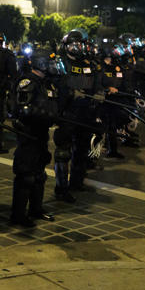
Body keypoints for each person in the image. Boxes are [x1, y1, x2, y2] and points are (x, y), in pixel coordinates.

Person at [9, 48, 61, 227]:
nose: (53, 66)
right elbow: (23, 109)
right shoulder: (28, 82)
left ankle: (36, 209)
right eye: (50, 62)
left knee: (39, 173)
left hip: (41, 133)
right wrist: (46, 115)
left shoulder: (45, 82)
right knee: (26, 175)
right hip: (28, 133)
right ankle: (18, 215)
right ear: (41, 63)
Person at [54, 29, 100, 203]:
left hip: (85, 113)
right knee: (63, 153)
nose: (77, 48)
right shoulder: (60, 63)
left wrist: (99, 93)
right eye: (73, 44)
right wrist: (70, 93)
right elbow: (55, 85)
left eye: (79, 44)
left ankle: (76, 182)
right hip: (67, 112)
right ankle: (61, 188)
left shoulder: (89, 64)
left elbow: (95, 84)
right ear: (65, 46)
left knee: (81, 151)